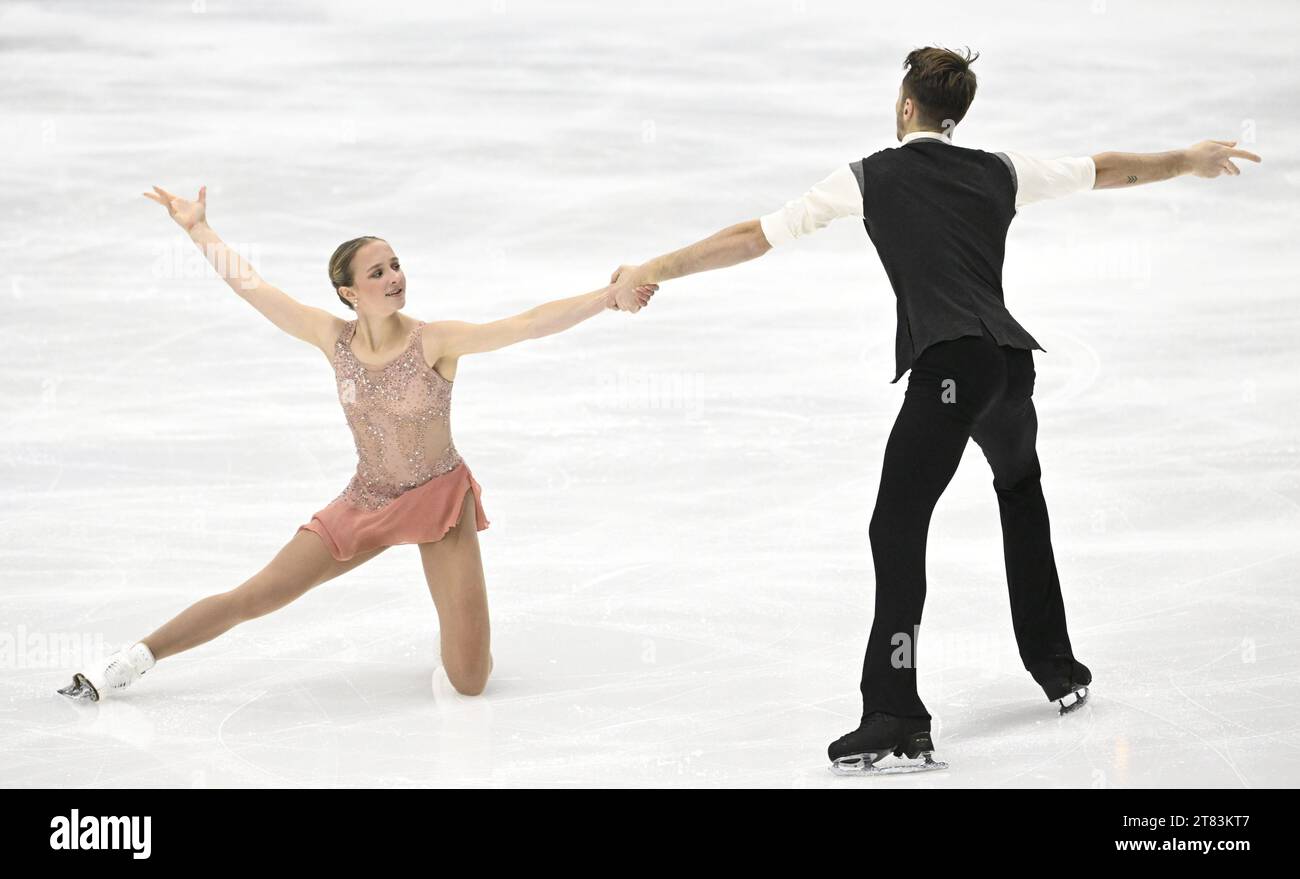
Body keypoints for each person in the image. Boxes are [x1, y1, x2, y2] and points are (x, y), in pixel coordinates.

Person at [605, 45, 1260, 774]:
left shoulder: (870, 176)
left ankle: (894, 709)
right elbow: (1104, 168)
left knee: (896, 524)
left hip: (951, 368)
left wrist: (653, 268)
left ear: (906, 106)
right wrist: (1189, 159)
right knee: (1019, 490)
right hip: (1011, 370)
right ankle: (1057, 664)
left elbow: (751, 237)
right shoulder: (1000, 170)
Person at [56, 184, 656, 703]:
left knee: (470, 681)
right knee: (257, 595)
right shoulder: (331, 338)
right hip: (366, 499)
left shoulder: (435, 341)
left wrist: (605, 298)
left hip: (439, 504)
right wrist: (200, 229)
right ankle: (131, 662)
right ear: (349, 292)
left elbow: (524, 324)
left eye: (396, 264)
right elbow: (255, 289)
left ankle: (457, 646)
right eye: (378, 272)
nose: (395, 277)